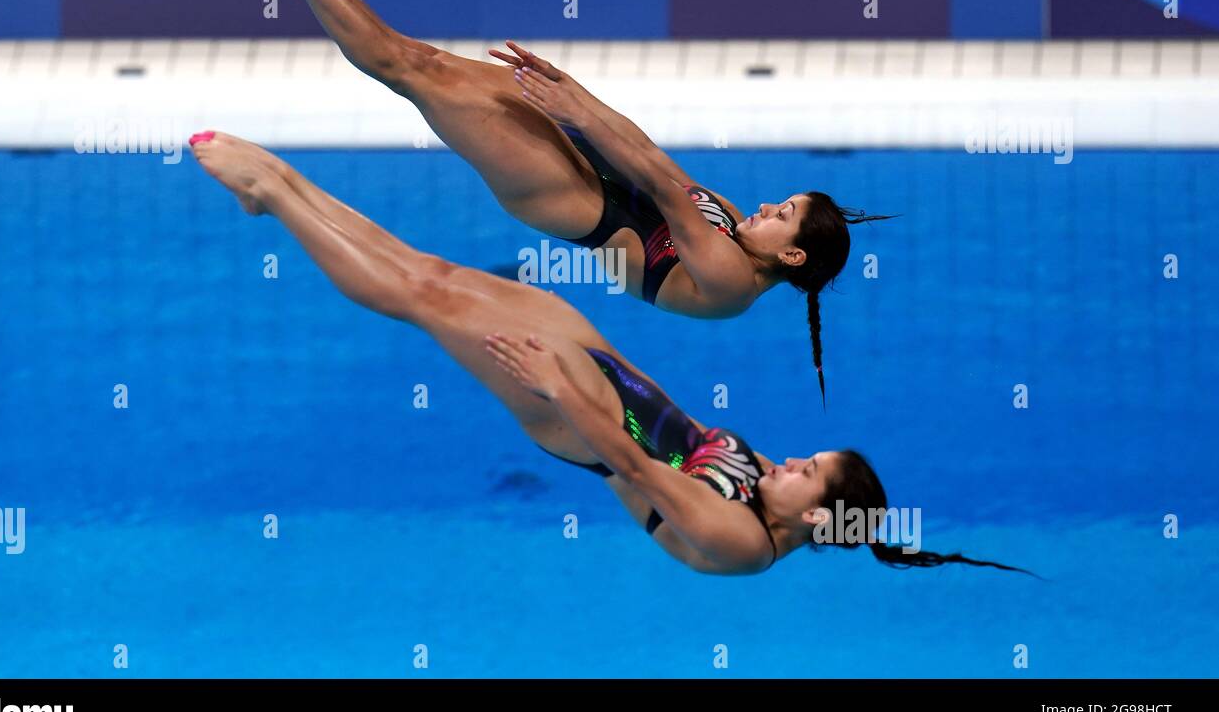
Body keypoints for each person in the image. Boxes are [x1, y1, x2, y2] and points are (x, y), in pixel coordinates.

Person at [188, 130, 1023, 577]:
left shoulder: (743, 542)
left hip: (579, 416)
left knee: (422, 299)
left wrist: (560, 385)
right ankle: (282, 187)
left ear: (814, 517)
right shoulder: (773, 486)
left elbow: (635, 465)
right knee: (435, 275)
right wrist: (596, 353)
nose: (794, 459)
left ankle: (274, 194)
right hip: (603, 369)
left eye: (810, 471)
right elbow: (690, 431)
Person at [216, 0, 894, 404]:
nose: (768, 207)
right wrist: (572, 96)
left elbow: (662, 188)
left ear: (792, 255)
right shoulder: (735, 222)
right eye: (781, 202)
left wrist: (578, 118)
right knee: (428, 60)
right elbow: (652, 156)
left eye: (783, 216)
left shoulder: (729, 283)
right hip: (597, 161)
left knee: (407, 72)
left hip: (569, 200)